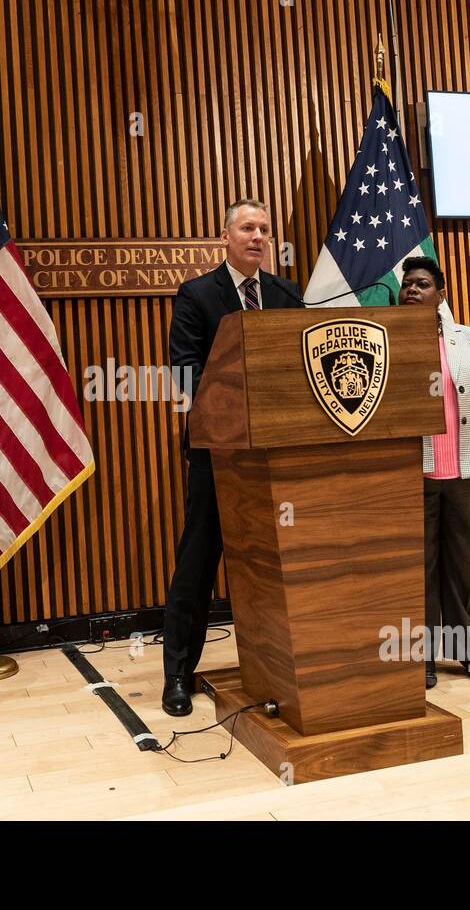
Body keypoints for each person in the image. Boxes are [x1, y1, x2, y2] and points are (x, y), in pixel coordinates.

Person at [161, 198, 303, 716]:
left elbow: (303, 367)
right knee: (198, 563)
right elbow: (186, 372)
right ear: (225, 237)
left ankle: (278, 668)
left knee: (281, 562)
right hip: (218, 456)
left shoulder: (287, 294)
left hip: (278, 455)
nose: (258, 237)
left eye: (264, 229)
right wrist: (249, 401)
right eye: (247, 228)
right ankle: (178, 674)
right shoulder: (198, 294)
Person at [399, 257, 470, 687]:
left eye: (422, 284)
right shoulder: (387, 340)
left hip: (469, 470)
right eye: (407, 284)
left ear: (441, 294)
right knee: (421, 569)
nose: (413, 290)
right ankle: (423, 658)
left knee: (466, 568)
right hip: (415, 474)